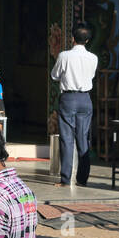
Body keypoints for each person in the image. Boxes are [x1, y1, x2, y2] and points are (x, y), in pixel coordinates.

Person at [50, 23, 98, 187]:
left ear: (72, 39)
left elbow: (55, 75)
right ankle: (82, 179)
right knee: (83, 139)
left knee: (67, 139)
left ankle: (65, 179)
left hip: (68, 99)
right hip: (85, 99)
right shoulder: (93, 58)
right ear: (87, 40)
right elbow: (91, 76)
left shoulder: (64, 56)